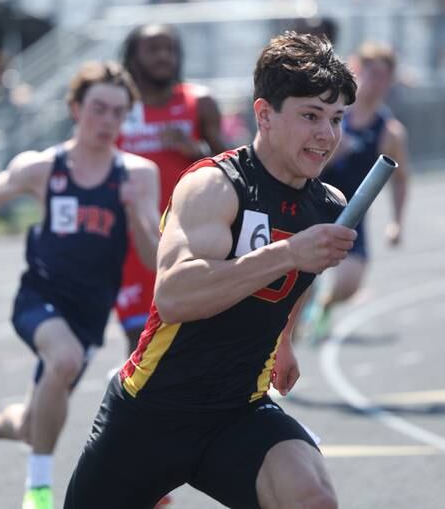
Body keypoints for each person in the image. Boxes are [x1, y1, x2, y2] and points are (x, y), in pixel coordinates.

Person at [64, 31, 357, 509]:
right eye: (310, 116)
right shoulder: (214, 187)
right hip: (152, 412)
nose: (327, 135)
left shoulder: (328, 204)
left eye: (336, 119)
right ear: (264, 114)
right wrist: (287, 254)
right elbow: (176, 296)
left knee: (313, 499)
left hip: (238, 412)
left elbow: (300, 277)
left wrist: (284, 342)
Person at [0, 61, 161, 509]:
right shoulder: (43, 167)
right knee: (62, 359)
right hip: (38, 298)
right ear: (76, 108)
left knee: (31, 422)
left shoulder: (138, 175)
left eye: (118, 113)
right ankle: (38, 488)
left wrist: (137, 213)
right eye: (98, 108)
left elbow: (151, 257)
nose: (107, 122)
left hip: (90, 311)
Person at [116, 23, 226, 355]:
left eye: (169, 49)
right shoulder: (115, 108)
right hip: (132, 241)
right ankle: (140, 404)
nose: (163, 56)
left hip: (189, 235)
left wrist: (194, 149)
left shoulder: (199, 102)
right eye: (153, 49)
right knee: (139, 339)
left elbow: (234, 165)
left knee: (193, 336)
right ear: (133, 57)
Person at [300, 41, 409, 342]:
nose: (378, 83)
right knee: (299, 286)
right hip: (313, 205)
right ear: (357, 70)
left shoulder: (390, 131)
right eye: (372, 74)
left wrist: (396, 222)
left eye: (384, 76)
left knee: (350, 284)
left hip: (352, 214)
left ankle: (325, 305)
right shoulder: (332, 114)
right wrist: (334, 152)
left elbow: (401, 180)